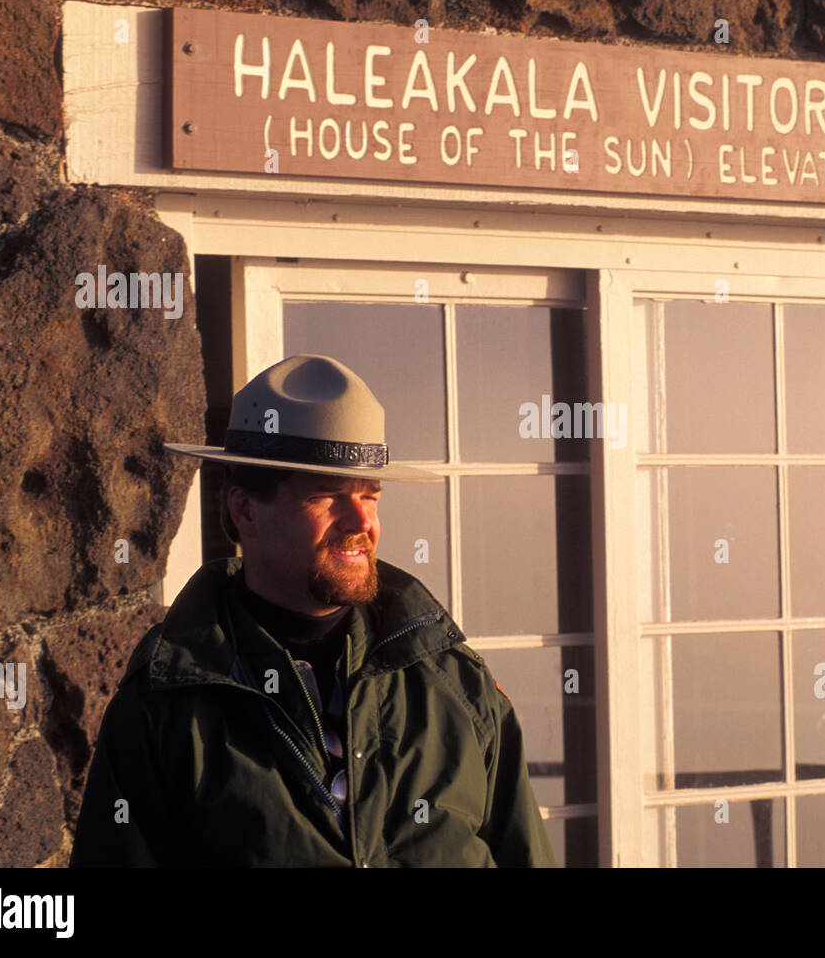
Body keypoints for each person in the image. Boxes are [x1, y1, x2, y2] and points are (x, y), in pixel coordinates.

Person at [70, 354, 556, 866]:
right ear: (244, 510)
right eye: (329, 496)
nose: (361, 522)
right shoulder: (164, 704)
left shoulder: (456, 684)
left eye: (371, 495)